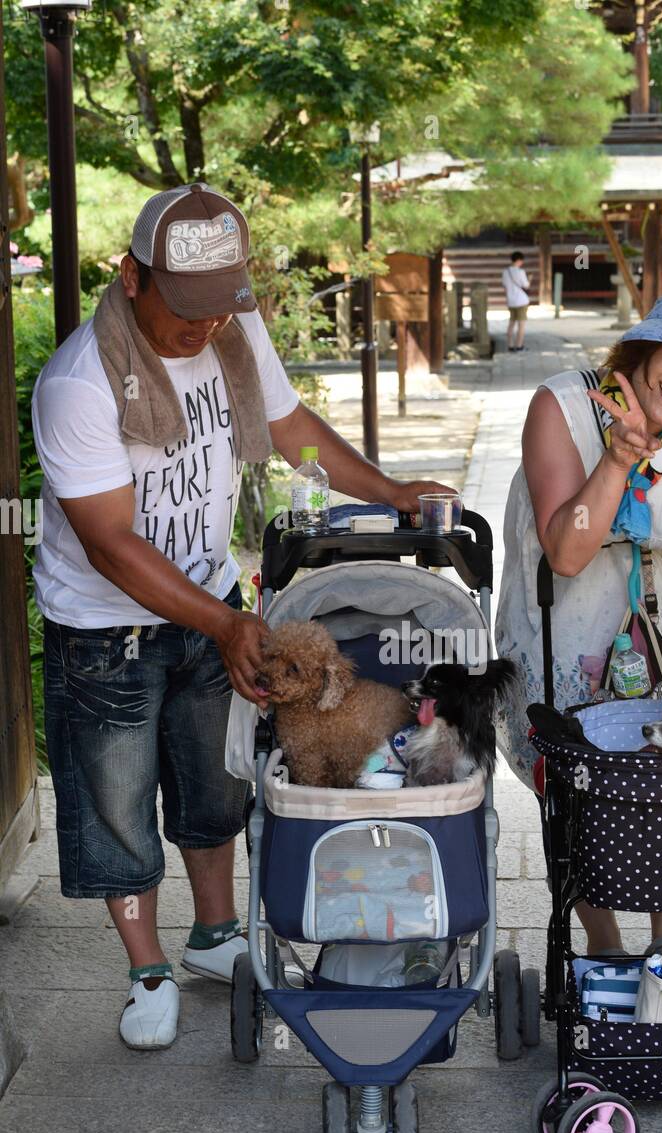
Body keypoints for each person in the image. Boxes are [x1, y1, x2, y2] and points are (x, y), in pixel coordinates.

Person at [32, 182, 451, 1050]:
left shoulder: (231, 325)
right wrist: (226, 626)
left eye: (220, 309)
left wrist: (390, 491)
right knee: (118, 803)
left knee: (216, 779)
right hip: (104, 626)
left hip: (209, 593)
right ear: (132, 276)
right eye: (186, 310)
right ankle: (147, 968)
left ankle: (215, 937)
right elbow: (112, 544)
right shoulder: (79, 382)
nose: (204, 329)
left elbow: (290, 423)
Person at [494, 280, 662, 952]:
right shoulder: (561, 406)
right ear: (646, 343)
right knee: (575, 787)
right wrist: (619, 456)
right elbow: (568, 551)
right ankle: (603, 948)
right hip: (565, 618)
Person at [502, 250, 531, 352]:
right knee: (521, 324)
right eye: (521, 260)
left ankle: (510, 346)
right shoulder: (520, 272)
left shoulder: (505, 272)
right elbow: (526, 285)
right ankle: (519, 346)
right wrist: (530, 279)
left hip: (511, 301)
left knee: (511, 323)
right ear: (518, 260)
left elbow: (505, 287)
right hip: (521, 301)